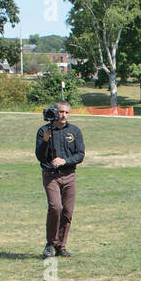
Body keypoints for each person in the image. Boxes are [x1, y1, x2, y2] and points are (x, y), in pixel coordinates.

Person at [35, 101, 84, 259]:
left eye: (67, 112)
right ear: (55, 112)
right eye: (61, 112)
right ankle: (50, 243)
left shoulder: (74, 131)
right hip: (51, 175)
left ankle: (60, 246)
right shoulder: (43, 131)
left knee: (68, 211)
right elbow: (40, 156)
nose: (63, 115)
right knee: (55, 207)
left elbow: (80, 155)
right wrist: (46, 141)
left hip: (69, 175)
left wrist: (65, 161)